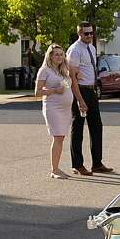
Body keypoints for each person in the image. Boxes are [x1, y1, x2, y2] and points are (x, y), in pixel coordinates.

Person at [67, 22, 113, 176]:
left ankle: (97, 163)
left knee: (97, 127)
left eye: (91, 33)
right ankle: (77, 165)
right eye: (86, 33)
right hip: (79, 91)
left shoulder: (92, 48)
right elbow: (72, 77)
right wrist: (80, 100)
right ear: (79, 33)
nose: (89, 36)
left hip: (92, 90)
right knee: (78, 128)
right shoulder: (74, 50)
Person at [36, 44, 74, 179]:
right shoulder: (44, 70)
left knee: (61, 137)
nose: (59, 56)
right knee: (57, 137)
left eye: (61, 54)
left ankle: (57, 167)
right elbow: (37, 92)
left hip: (65, 109)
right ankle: (54, 170)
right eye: (56, 54)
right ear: (50, 56)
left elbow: (66, 86)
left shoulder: (62, 70)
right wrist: (54, 91)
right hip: (53, 107)